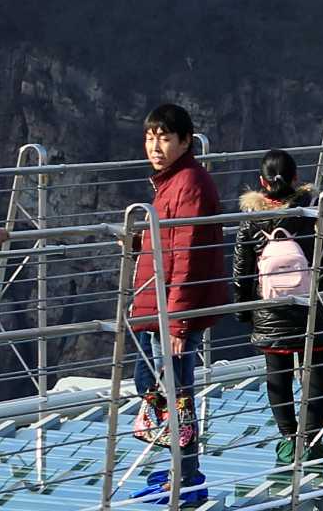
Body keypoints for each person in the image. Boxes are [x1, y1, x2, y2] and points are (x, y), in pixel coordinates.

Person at [126, 104, 224, 507]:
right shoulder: (172, 182)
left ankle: (187, 476)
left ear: (186, 141)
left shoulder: (190, 184)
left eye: (165, 138)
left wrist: (178, 322)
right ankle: (178, 469)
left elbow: (189, 254)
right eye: (151, 137)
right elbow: (170, 244)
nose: (156, 146)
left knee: (176, 390)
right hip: (158, 304)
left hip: (173, 309)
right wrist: (139, 243)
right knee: (152, 383)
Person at [233, 150, 323, 470]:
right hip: (314, 310)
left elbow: (241, 272)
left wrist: (245, 312)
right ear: (296, 179)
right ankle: (312, 442)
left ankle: (287, 440)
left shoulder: (252, 222)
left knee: (277, 377)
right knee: (316, 375)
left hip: (269, 311)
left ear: (261, 183)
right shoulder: (313, 212)